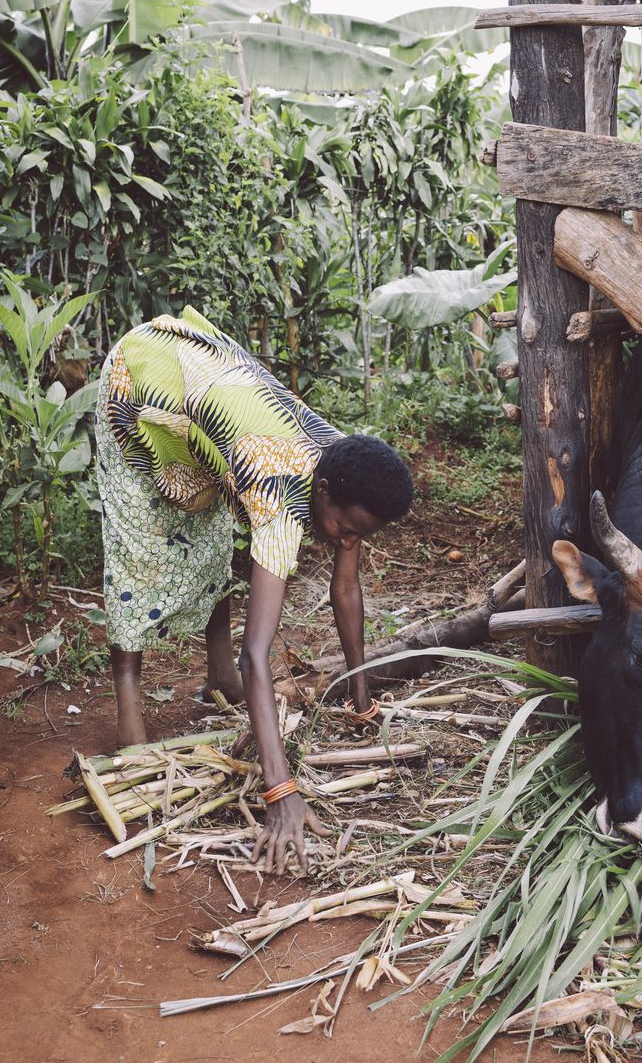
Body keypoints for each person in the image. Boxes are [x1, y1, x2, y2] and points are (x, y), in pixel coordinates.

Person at [94, 305, 413, 871]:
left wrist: (362, 702)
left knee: (212, 537)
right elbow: (258, 654)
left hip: (209, 404)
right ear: (320, 492)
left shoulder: (348, 469)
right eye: (345, 529)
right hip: (141, 383)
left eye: (359, 535)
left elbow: (345, 589)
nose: (347, 542)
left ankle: (217, 676)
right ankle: (128, 707)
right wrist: (281, 793)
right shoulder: (276, 494)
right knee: (138, 548)